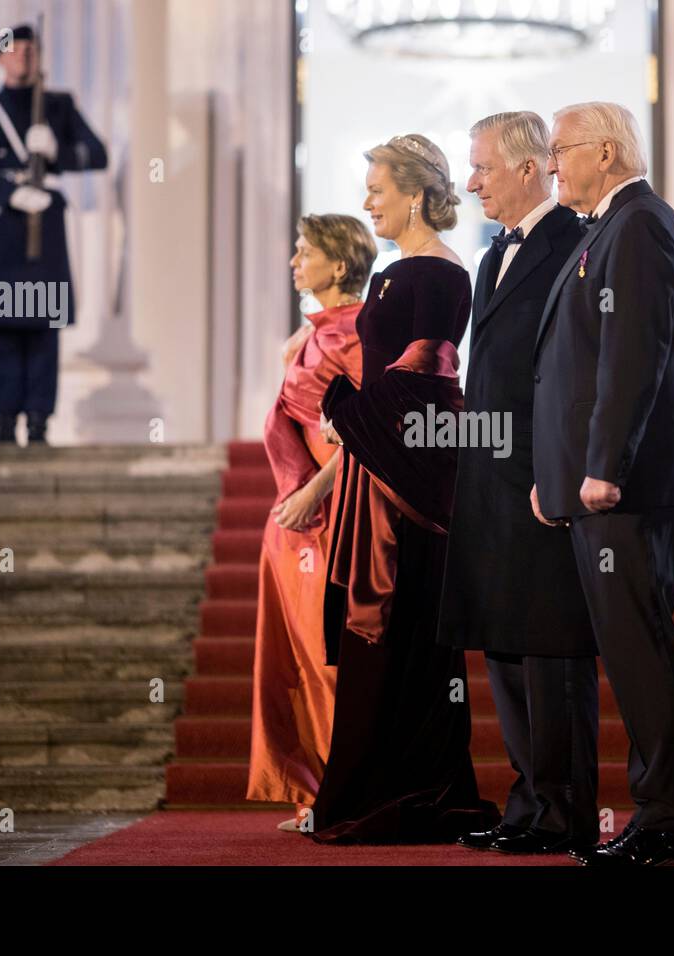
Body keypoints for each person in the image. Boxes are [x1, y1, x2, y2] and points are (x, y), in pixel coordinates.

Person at [532, 102, 674, 867]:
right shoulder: (610, 227)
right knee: (632, 648)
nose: (551, 165)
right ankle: (665, 813)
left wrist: (603, 466)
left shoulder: (637, 225)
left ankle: (670, 819)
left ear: (605, 153)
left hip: (631, 486)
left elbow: (631, 358)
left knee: (641, 650)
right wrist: (560, 474)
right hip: (607, 483)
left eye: (561, 150)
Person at [309, 134, 501, 844]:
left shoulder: (444, 275)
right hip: (377, 464)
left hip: (413, 476)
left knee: (404, 632)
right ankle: (363, 794)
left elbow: (429, 373)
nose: (366, 203)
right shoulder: (395, 271)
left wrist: (345, 410)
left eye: (378, 190)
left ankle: (415, 796)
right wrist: (352, 414)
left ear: (415, 194)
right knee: (374, 638)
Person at [436, 112, 598, 856]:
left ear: (529, 169)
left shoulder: (577, 241)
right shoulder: (492, 253)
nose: (471, 183)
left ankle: (564, 811)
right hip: (490, 483)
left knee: (552, 649)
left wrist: (561, 473)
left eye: (482, 169)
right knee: (503, 643)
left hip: (543, 480)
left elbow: (581, 372)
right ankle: (528, 802)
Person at [245, 214, 374, 831]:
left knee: (327, 661)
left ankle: (339, 795)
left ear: (340, 265)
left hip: (326, 516)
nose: (295, 263)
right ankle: (312, 791)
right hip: (290, 518)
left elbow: (367, 431)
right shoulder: (316, 330)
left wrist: (315, 492)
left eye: (305, 252)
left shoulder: (357, 333)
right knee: (291, 659)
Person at [0, 22, 108, 446]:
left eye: (30, 49)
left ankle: (39, 423)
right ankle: (4, 423)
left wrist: (58, 150)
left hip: (45, 235)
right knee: (2, 330)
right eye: (15, 49)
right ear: (1, 57)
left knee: (43, 331)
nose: (23, 56)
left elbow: (97, 153)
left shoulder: (57, 105)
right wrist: (8, 190)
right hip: (3, 232)